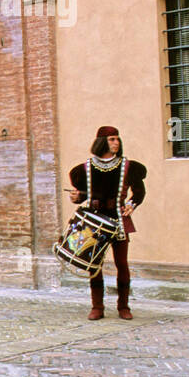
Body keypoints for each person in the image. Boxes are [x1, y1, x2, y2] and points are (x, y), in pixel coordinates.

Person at [67, 125, 147, 320]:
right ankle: (97, 307)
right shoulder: (85, 168)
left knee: (122, 263)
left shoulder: (129, 166)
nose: (116, 143)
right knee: (94, 264)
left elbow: (139, 191)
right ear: (102, 142)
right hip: (94, 219)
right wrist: (76, 197)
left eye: (117, 139)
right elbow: (82, 195)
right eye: (112, 139)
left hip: (119, 218)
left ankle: (123, 307)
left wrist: (132, 204)